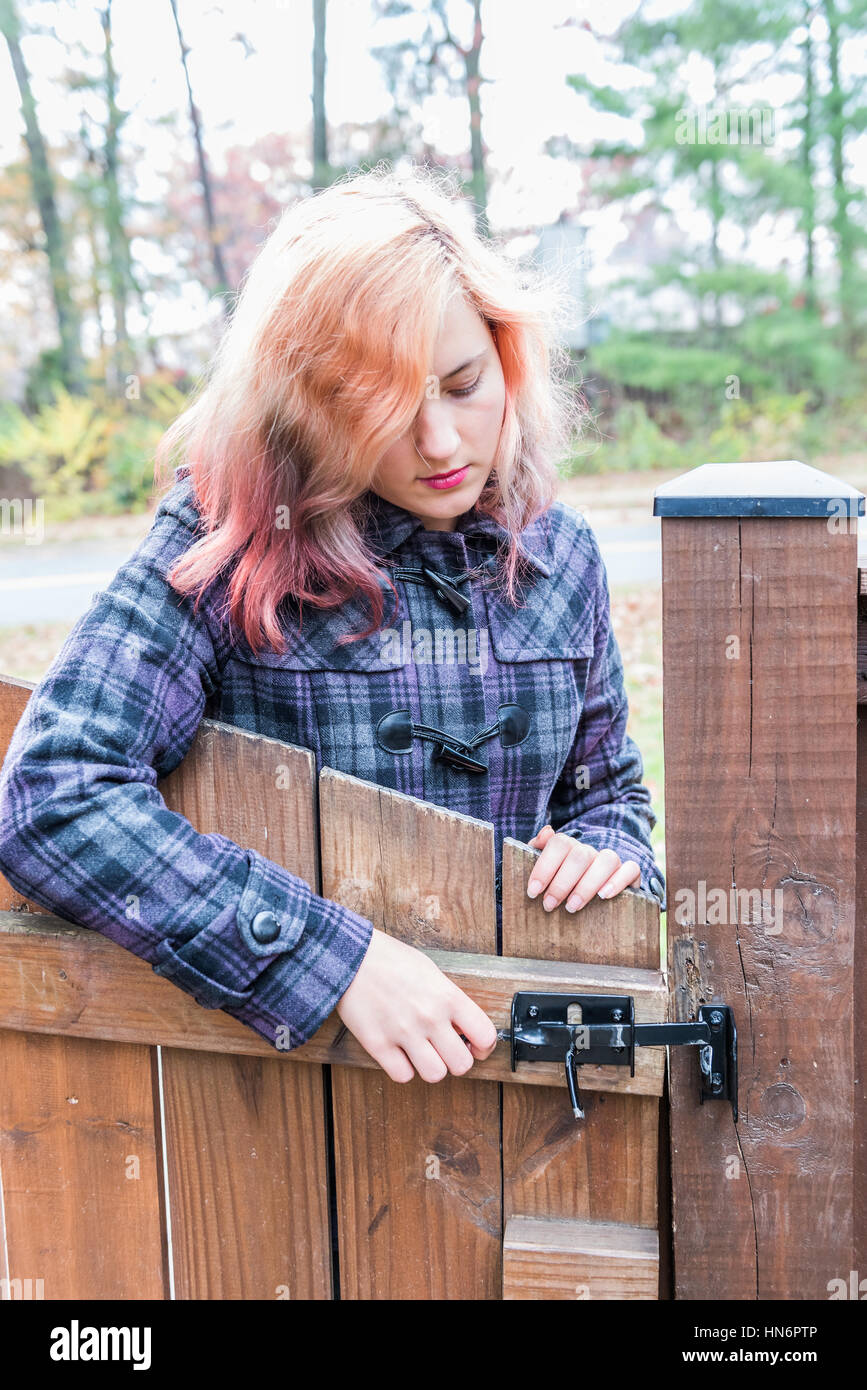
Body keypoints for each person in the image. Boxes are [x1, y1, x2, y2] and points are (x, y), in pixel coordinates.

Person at [0, 163, 665, 1089]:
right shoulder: (228, 543)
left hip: (527, 1102)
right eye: (383, 409)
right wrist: (329, 959)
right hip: (292, 1115)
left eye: (464, 383)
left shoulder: (561, 556)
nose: (440, 444)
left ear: (507, 355)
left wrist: (616, 854)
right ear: (303, 407)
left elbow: (609, 796)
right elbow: (53, 797)